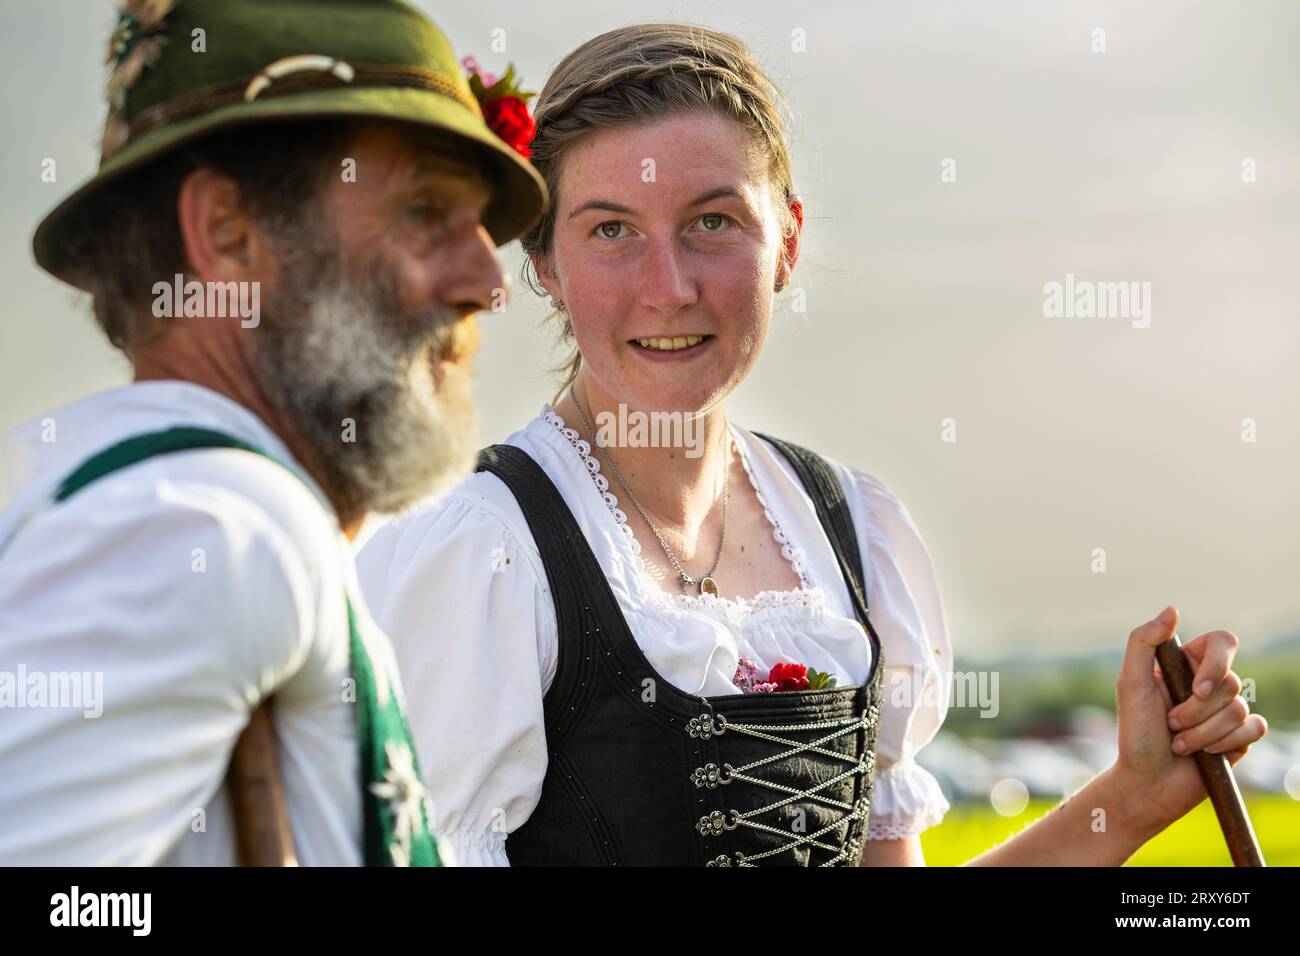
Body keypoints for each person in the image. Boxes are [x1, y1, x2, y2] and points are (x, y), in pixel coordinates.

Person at [356, 23, 1268, 867]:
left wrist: (1138, 793)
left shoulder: (851, 532)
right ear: (545, 264)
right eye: (612, 232)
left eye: (713, 221)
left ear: (786, 241)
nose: (669, 287)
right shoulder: (482, 553)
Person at [0, 0, 546, 865]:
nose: (487, 278)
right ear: (229, 232)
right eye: (422, 212)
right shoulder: (209, 523)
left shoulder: (76, 477)